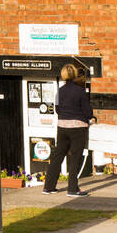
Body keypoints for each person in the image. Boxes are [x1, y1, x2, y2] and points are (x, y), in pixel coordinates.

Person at [44, 63, 94, 195]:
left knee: (57, 156)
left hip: (62, 127)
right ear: (75, 75)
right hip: (77, 128)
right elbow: (88, 112)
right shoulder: (80, 91)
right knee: (75, 158)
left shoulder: (60, 91)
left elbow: (57, 109)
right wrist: (92, 118)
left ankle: (48, 187)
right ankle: (72, 189)